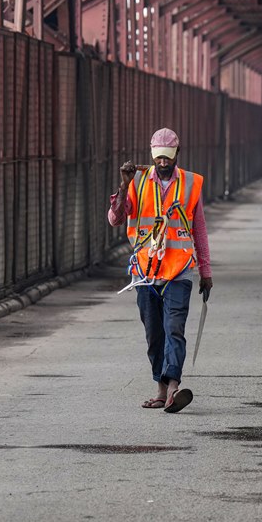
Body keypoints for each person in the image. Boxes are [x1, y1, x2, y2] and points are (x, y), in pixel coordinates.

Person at [108, 127, 213, 413]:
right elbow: (116, 218)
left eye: (168, 157)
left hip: (180, 270)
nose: (164, 163)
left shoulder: (191, 184)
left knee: (174, 329)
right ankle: (161, 388)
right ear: (152, 154)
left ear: (177, 153)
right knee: (154, 333)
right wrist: (123, 184)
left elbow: (199, 230)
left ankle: (174, 387)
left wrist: (206, 271)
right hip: (145, 272)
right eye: (159, 157)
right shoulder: (137, 181)